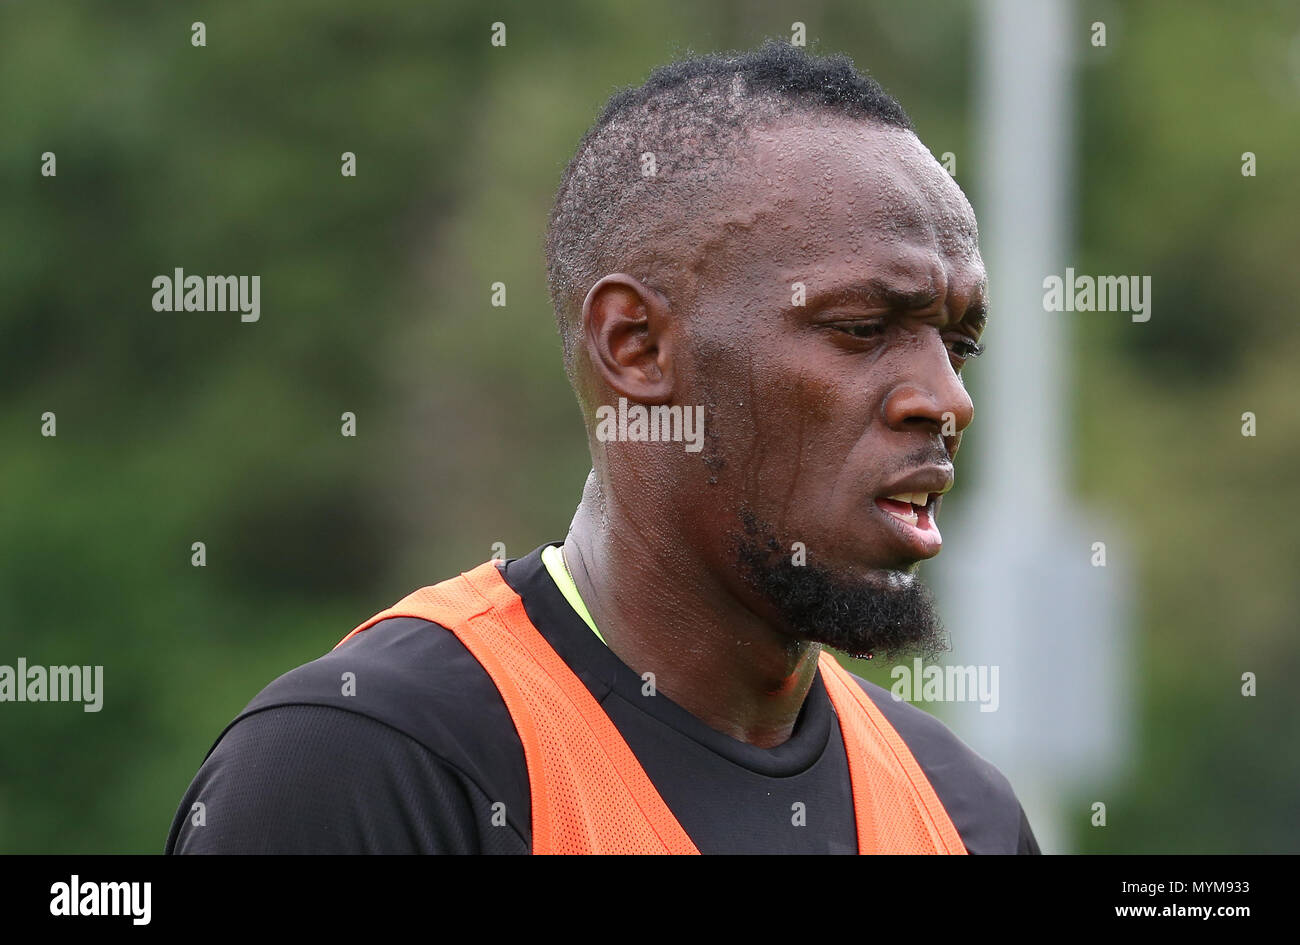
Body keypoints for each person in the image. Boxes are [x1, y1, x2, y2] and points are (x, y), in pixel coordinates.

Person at [167, 40, 1039, 855]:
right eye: (862, 327)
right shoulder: (365, 767)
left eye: (957, 344)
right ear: (637, 347)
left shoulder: (967, 814)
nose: (948, 400)